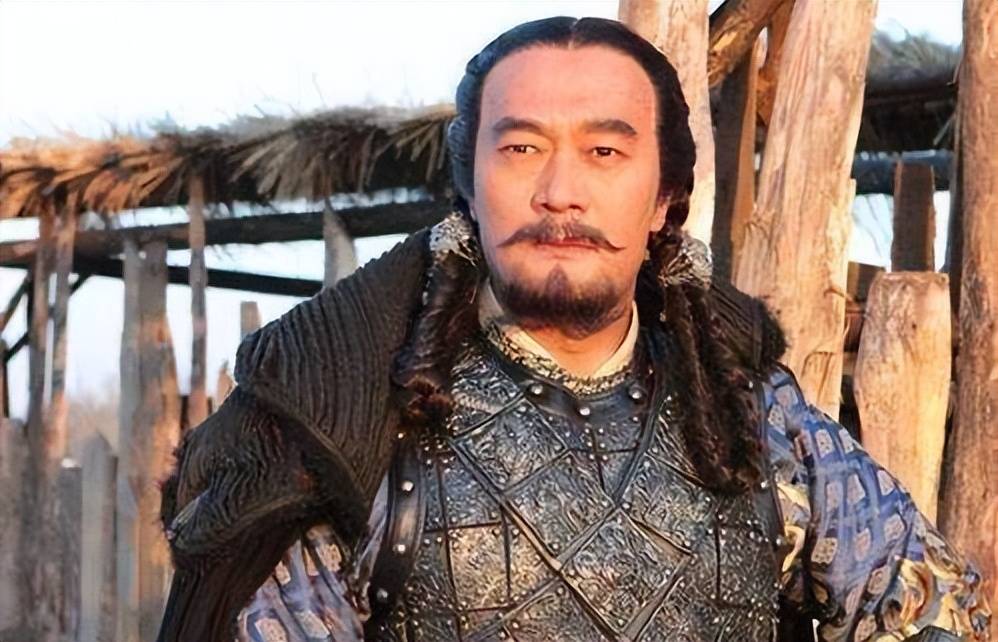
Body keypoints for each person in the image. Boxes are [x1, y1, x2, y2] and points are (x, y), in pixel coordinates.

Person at [157, 16, 991, 642]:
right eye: (521, 149)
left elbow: (928, 608)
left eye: (604, 153)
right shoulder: (350, 425)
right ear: (470, 186)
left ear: (664, 199)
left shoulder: (752, 419)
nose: (560, 191)